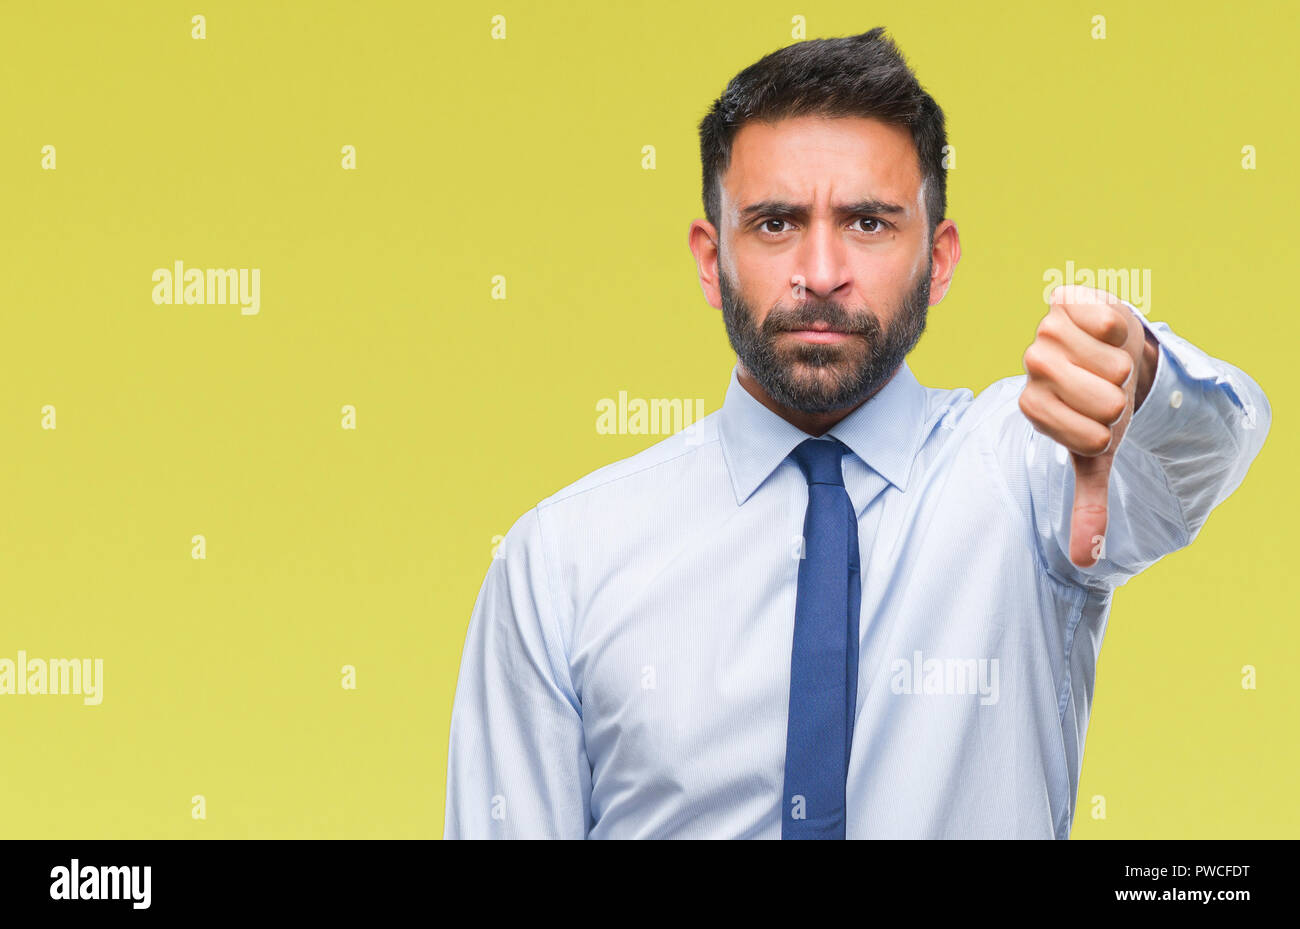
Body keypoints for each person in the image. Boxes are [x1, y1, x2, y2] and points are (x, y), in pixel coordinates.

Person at [442, 28, 1271, 839]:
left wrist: (1142, 372)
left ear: (938, 259)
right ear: (709, 258)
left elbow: (1212, 445)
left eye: (869, 223)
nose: (822, 271)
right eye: (774, 222)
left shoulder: (1030, 470)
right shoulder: (560, 562)